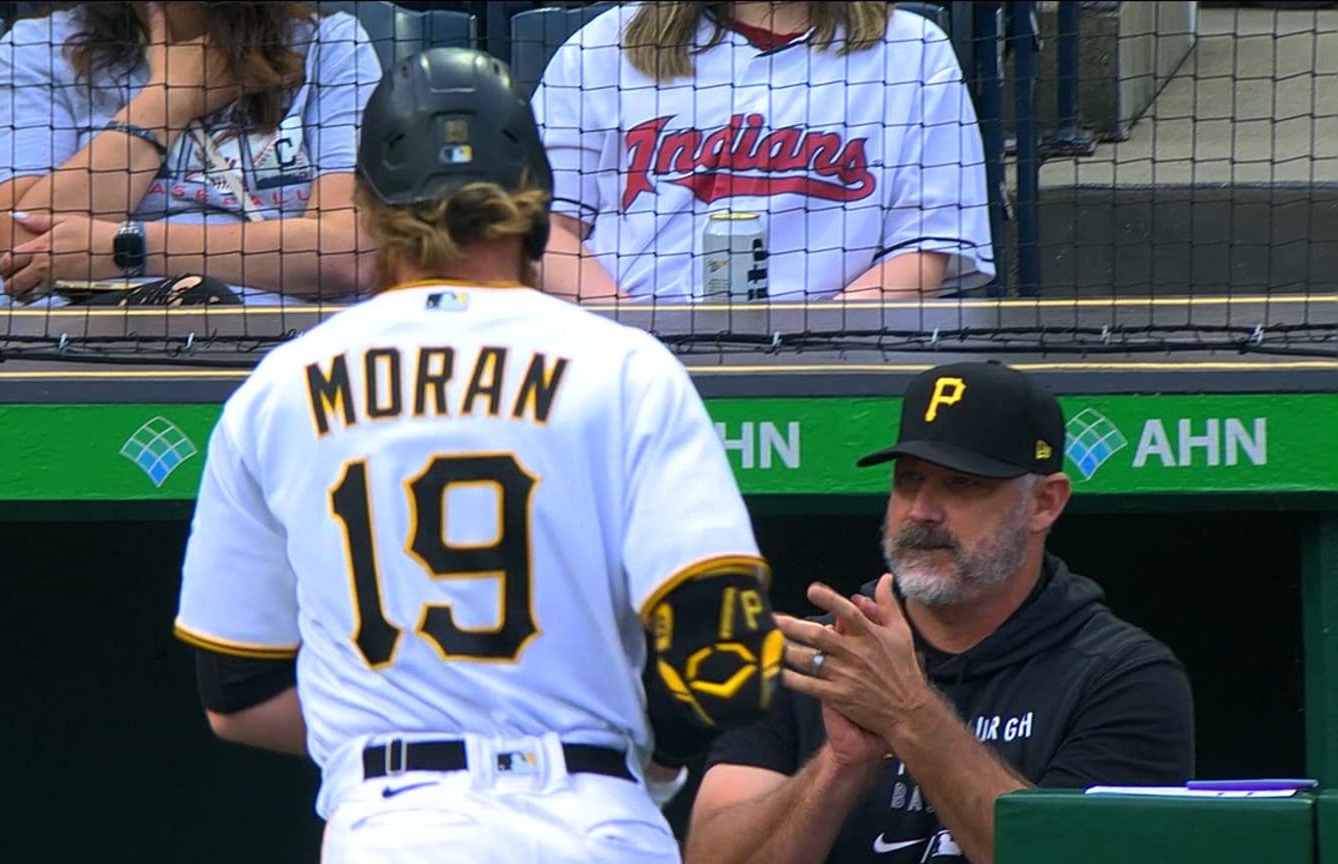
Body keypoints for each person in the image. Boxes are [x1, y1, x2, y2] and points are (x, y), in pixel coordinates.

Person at [173, 47, 782, 862]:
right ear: (532, 201)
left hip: (394, 826)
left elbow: (235, 698)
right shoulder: (626, 367)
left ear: (372, 206)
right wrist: (656, 755)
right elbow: (726, 656)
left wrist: (384, 727)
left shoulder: (278, 389)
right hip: (594, 819)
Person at [686, 360, 1196, 864]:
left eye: (963, 484)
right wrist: (838, 769)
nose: (922, 511)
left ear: (1045, 502)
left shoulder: (1124, 676)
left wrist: (907, 713)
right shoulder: (814, 659)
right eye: (909, 481)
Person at [532, 1, 995, 303]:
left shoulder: (913, 50)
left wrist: (818, 349)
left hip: (834, 347)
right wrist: (630, 339)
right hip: (630, 339)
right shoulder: (603, 46)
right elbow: (542, 230)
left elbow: (923, 251)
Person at [0, 1, 380, 304]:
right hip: (95, 343)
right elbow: (20, 254)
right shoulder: (39, 48)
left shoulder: (330, 44)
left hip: (286, 343)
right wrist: (169, 97)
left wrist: (127, 249)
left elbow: (349, 254)